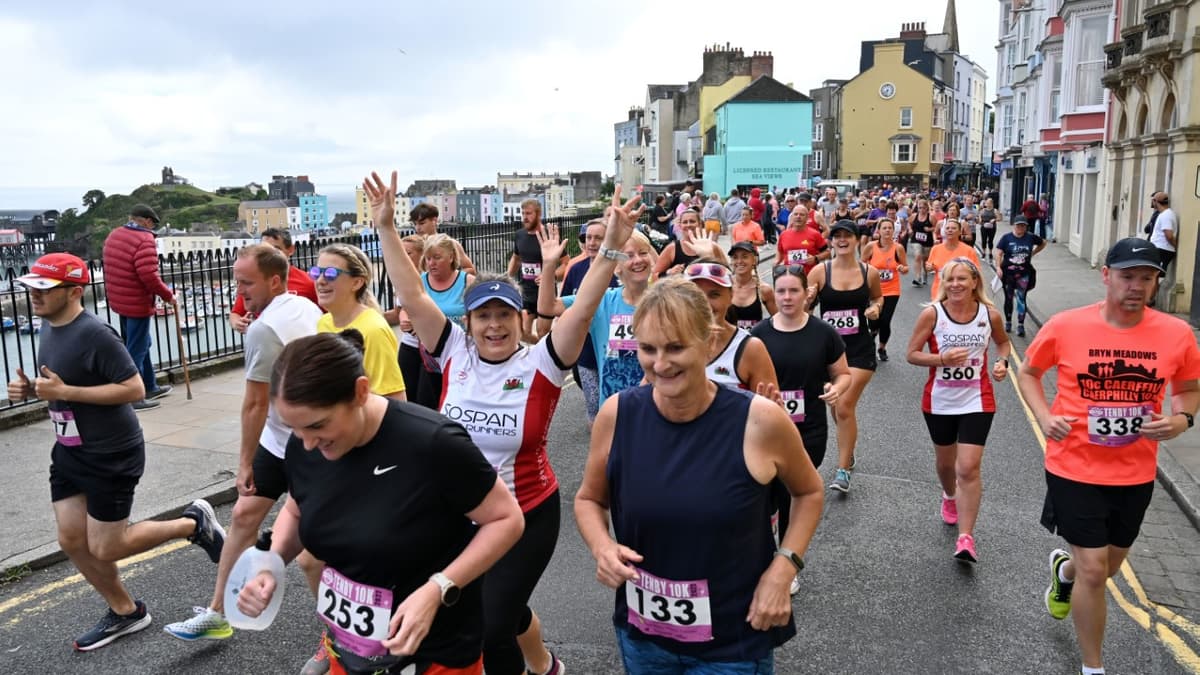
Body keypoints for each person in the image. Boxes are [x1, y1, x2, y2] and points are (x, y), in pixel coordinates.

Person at [369, 171, 645, 675]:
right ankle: (545, 666)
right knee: (498, 606)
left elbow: (584, 308)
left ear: (521, 320)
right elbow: (412, 296)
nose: (494, 326)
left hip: (527, 512)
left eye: (504, 315)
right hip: (459, 512)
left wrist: (609, 247)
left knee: (490, 626)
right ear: (469, 322)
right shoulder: (453, 350)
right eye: (483, 316)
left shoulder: (542, 362)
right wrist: (386, 228)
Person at [574, 276, 825, 673]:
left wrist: (784, 567)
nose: (660, 364)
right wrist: (602, 546)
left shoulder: (759, 421)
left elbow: (809, 492)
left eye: (675, 347)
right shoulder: (617, 415)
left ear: (708, 343)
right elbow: (589, 498)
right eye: (648, 348)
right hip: (643, 636)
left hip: (733, 642)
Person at [236, 331, 525, 675]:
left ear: (360, 392)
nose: (308, 443)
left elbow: (506, 519)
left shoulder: (433, 443)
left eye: (318, 425)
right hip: (350, 650)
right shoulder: (304, 443)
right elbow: (297, 510)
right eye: (294, 428)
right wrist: (270, 565)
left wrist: (438, 588)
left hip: (432, 652)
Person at [9, 253, 224, 651]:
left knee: (107, 546)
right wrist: (33, 391)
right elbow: (60, 386)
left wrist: (65, 391)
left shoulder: (96, 334)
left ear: (74, 292)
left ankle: (194, 524)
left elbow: (134, 389)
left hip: (111, 453)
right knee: (72, 540)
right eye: (31, 287)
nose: (33, 295)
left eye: (44, 288)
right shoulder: (48, 325)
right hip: (69, 449)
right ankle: (126, 611)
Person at [1017, 238, 1200, 675]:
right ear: (1106, 276)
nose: (1136, 286)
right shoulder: (1066, 326)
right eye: (1127, 276)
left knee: (1109, 567)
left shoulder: (1176, 334)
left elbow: (1189, 389)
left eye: (1147, 278)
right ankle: (1093, 667)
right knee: (1095, 572)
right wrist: (1044, 416)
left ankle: (1064, 574)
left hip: (1135, 472)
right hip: (1073, 465)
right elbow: (1028, 373)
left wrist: (1181, 420)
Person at [164, 244, 322, 644]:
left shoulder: (263, 330)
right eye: (237, 281)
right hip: (283, 437)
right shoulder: (305, 307)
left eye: (246, 283)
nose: (239, 291)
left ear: (275, 280)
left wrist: (244, 463)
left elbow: (254, 404)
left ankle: (339, 639)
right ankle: (218, 612)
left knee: (316, 546)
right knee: (244, 515)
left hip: (305, 443)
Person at [752, 265, 851, 593]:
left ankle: (786, 562)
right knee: (768, 496)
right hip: (766, 431)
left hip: (809, 430)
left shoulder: (824, 333)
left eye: (793, 290)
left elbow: (843, 374)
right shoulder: (759, 336)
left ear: (807, 293)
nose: (786, 297)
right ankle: (769, 553)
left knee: (792, 494)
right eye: (781, 291)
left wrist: (837, 389)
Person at [905, 258, 1011, 563]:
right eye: (949, 279)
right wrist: (942, 359)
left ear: (975, 282)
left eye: (962, 279)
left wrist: (1002, 363)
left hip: (977, 400)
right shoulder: (932, 314)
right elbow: (911, 354)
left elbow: (1003, 344)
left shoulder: (990, 315)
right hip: (939, 401)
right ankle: (949, 495)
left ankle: (966, 538)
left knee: (968, 467)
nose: (955, 285)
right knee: (946, 465)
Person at [807, 221, 883, 493]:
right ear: (831, 241)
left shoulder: (869, 272)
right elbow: (805, 311)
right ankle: (848, 451)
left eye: (847, 236)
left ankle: (842, 471)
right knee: (836, 406)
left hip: (860, 350)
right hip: (827, 353)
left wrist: (875, 309)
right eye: (837, 236)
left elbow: (878, 298)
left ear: (856, 240)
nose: (841, 240)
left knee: (843, 405)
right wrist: (808, 299)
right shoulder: (820, 271)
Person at [101, 204, 176, 411]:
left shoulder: (115, 234)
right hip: (136, 302)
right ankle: (132, 396)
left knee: (141, 343)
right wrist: (168, 295)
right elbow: (148, 275)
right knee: (136, 348)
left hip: (119, 300)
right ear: (147, 221)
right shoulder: (144, 240)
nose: (152, 228)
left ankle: (149, 386)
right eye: (152, 224)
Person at [313, 243, 407, 402]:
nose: (320, 281)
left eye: (331, 273)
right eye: (316, 272)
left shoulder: (373, 331)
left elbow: (394, 399)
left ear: (357, 282)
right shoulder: (323, 322)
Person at [682, 259, 778, 392]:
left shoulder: (750, 348)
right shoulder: (667, 342)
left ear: (731, 296)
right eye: (695, 295)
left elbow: (771, 404)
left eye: (714, 294)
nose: (704, 304)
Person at [559, 219, 619, 426]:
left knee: (617, 409)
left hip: (614, 351)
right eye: (588, 238)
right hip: (584, 350)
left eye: (598, 238)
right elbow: (561, 306)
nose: (591, 243)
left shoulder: (620, 269)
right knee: (594, 409)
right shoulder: (576, 269)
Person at [410, 234, 476, 409]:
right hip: (431, 360)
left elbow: (480, 317)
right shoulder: (420, 282)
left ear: (451, 257)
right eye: (428, 258)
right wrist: (410, 321)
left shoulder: (467, 281)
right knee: (427, 410)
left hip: (462, 358)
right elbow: (406, 310)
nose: (431, 263)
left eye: (437, 257)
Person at [228, 227, 320, 334]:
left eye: (276, 249)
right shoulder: (252, 284)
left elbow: (325, 315)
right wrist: (238, 323)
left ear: (291, 249)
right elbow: (236, 313)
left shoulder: (307, 282)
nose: (269, 255)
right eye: (264, 250)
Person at [506, 199, 568, 343]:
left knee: (542, 332)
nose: (525, 217)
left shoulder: (549, 238)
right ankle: (546, 347)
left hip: (545, 293)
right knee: (522, 332)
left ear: (538, 214)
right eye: (523, 213)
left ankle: (548, 350)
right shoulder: (520, 235)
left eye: (528, 213)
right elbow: (516, 258)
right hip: (526, 292)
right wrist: (507, 278)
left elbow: (566, 263)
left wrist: (551, 275)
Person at [386, 235, 429, 409]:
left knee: (425, 399)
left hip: (429, 347)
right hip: (408, 344)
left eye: (408, 253)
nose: (403, 257)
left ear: (422, 255)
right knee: (406, 395)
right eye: (401, 253)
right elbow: (398, 312)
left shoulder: (429, 279)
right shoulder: (401, 281)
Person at [862, 218, 909, 361]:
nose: (887, 230)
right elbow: (861, 264)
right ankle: (872, 333)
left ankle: (882, 348)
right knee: (873, 320)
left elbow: (906, 267)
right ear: (879, 231)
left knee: (885, 320)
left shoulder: (898, 248)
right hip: (873, 290)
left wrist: (902, 269)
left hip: (891, 290)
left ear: (893, 230)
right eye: (884, 228)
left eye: (890, 228)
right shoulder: (870, 246)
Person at [994, 216, 1047, 337]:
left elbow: (1043, 243)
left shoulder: (1030, 237)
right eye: (1018, 225)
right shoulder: (1006, 238)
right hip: (1008, 273)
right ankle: (1008, 321)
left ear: (1026, 227)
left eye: (1023, 226)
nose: (1020, 228)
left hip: (1024, 273)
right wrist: (998, 267)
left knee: (1021, 298)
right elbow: (999, 253)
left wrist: (1033, 253)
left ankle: (1020, 324)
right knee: (1008, 298)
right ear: (1014, 226)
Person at [410, 203, 477, 275]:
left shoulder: (450, 243)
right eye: (415, 224)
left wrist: (449, 277)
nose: (417, 228)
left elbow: (470, 269)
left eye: (422, 223)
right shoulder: (411, 245)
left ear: (434, 221)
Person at [925, 219, 982, 301]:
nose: (950, 230)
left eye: (953, 228)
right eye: (947, 228)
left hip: (960, 293)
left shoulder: (969, 251)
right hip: (939, 292)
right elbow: (929, 267)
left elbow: (977, 273)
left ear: (960, 232)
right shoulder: (936, 249)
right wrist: (930, 267)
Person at [728, 241, 778, 331]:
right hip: (729, 339)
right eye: (735, 257)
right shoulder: (725, 286)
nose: (739, 261)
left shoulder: (764, 290)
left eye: (744, 257)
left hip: (754, 338)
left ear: (754, 260)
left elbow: (777, 319)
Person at [653, 209, 714, 277]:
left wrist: (708, 256)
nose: (688, 225)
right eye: (685, 222)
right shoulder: (672, 248)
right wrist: (668, 273)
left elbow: (722, 272)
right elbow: (654, 276)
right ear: (680, 226)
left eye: (692, 221)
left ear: (700, 224)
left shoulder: (711, 246)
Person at [777, 206, 829, 275]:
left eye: (802, 214)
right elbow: (779, 252)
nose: (798, 217)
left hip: (810, 275)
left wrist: (816, 258)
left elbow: (827, 252)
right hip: (790, 276)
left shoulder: (815, 234)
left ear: (807, 218)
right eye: (796, 214)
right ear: (792, 217)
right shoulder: (784, 235)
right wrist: (776, 262)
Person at [1147, 191, 1178, 272]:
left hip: (1162, 250)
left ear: (1155, 201)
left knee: (1156, 273)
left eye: (1153, 200)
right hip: (1160, 249)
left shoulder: (1166, 215)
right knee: (1152, 273)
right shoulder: (1164, 214)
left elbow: (1169, 236)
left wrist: (1175, 246)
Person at [908, 199, 936, 287]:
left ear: (927, 208)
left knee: (925, 260)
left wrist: (929, 229)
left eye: (923, 208)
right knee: (918, 256)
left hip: (927, 241)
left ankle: (925, 275)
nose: (921, 210)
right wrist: (910, 229)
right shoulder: (914, 216)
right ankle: (918, 278)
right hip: (916, 239)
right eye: (920, 208)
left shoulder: (931, 217)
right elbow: (909, 223)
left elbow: (936, 227)